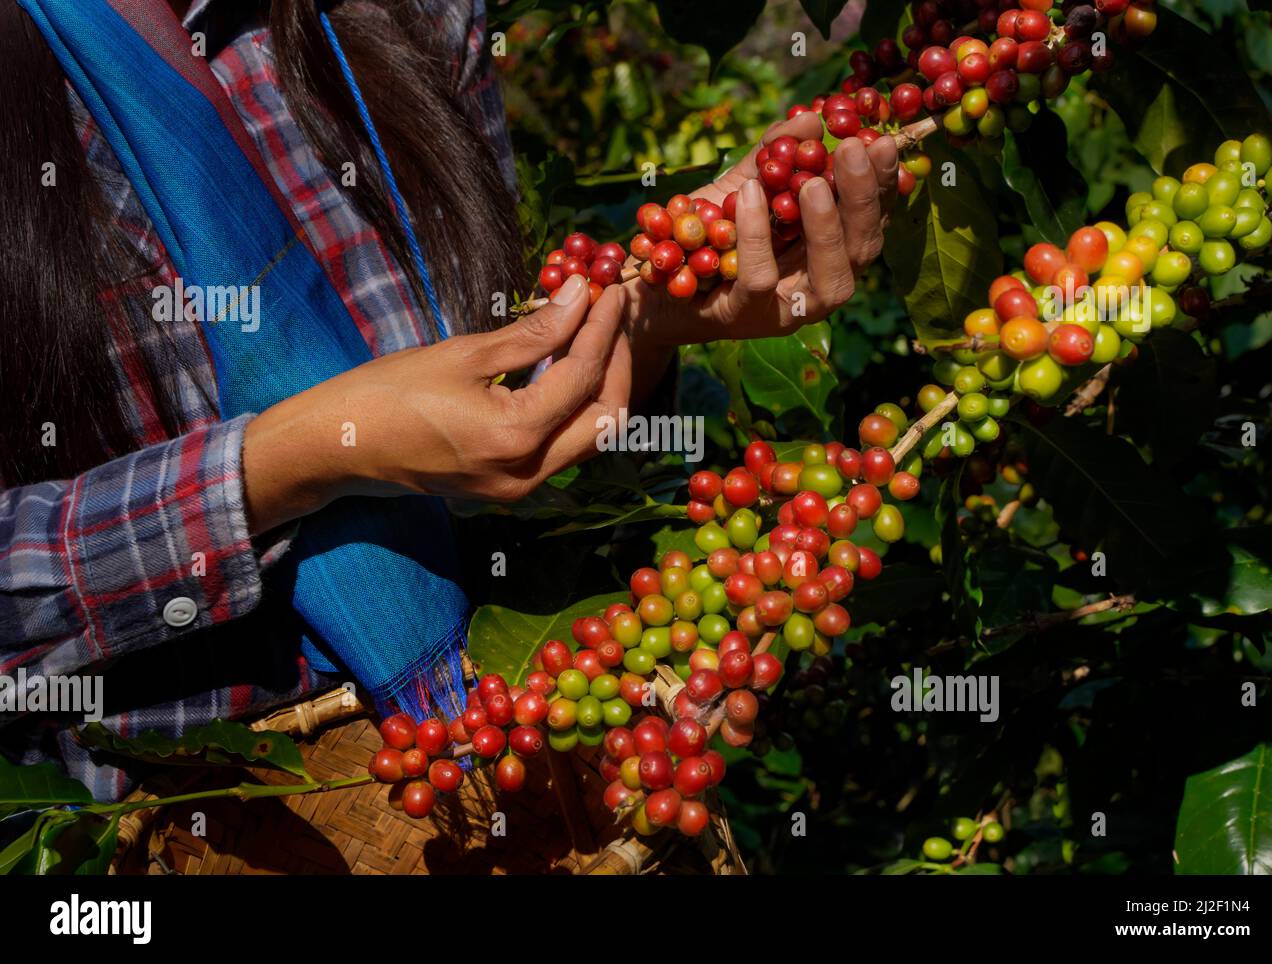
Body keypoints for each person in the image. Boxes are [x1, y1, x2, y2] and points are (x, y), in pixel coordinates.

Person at [0, 0, 897, 800]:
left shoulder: (410, 15)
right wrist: (295, 462)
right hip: (177, 833)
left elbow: (504, 428)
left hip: (511, 764)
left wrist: (647, 320)